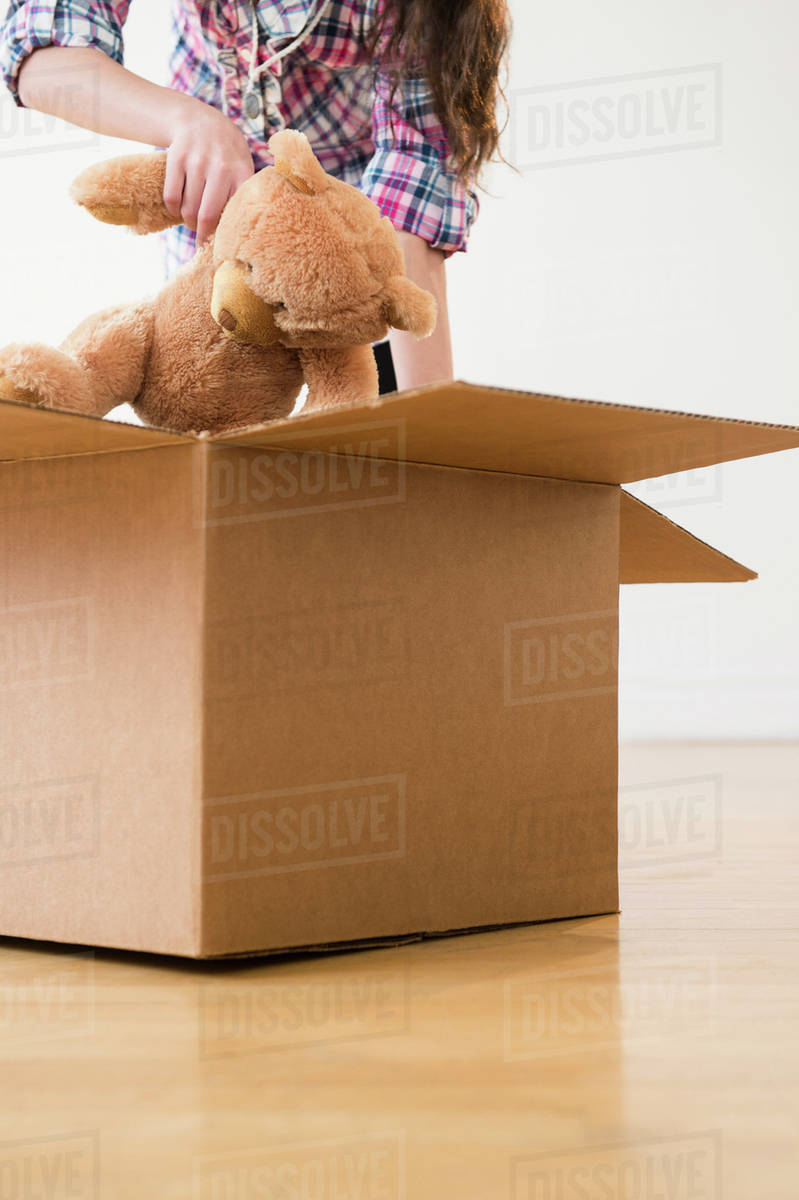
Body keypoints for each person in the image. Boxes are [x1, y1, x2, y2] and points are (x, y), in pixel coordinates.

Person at [0, 1, 509, 393]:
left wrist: (433, 422)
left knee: (369, 466)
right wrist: (189, 121)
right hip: (208, 262)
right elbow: (41, 50)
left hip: (345, 279)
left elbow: (412, 177)